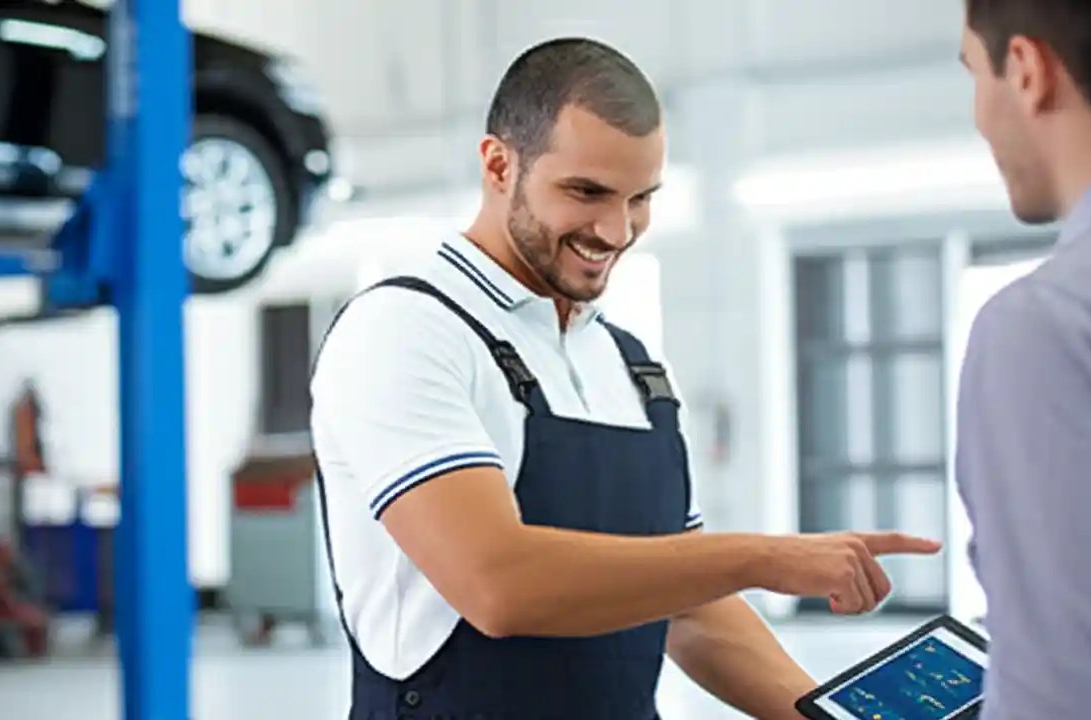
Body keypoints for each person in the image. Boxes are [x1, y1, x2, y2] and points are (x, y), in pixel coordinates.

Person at [310, 37, 940, 719]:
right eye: (587, 192)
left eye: (641, 198)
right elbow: (499, 584)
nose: (616, 229)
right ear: (498, 165)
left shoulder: (631, 366)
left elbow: (690, 610)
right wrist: (763, 558)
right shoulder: (406, 330)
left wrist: (829, 718)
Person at [955, 2, 1091, 718]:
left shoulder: (1048, 326)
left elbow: (1068, 698)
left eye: (973, 73)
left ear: (1026, 70)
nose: (977, 115)